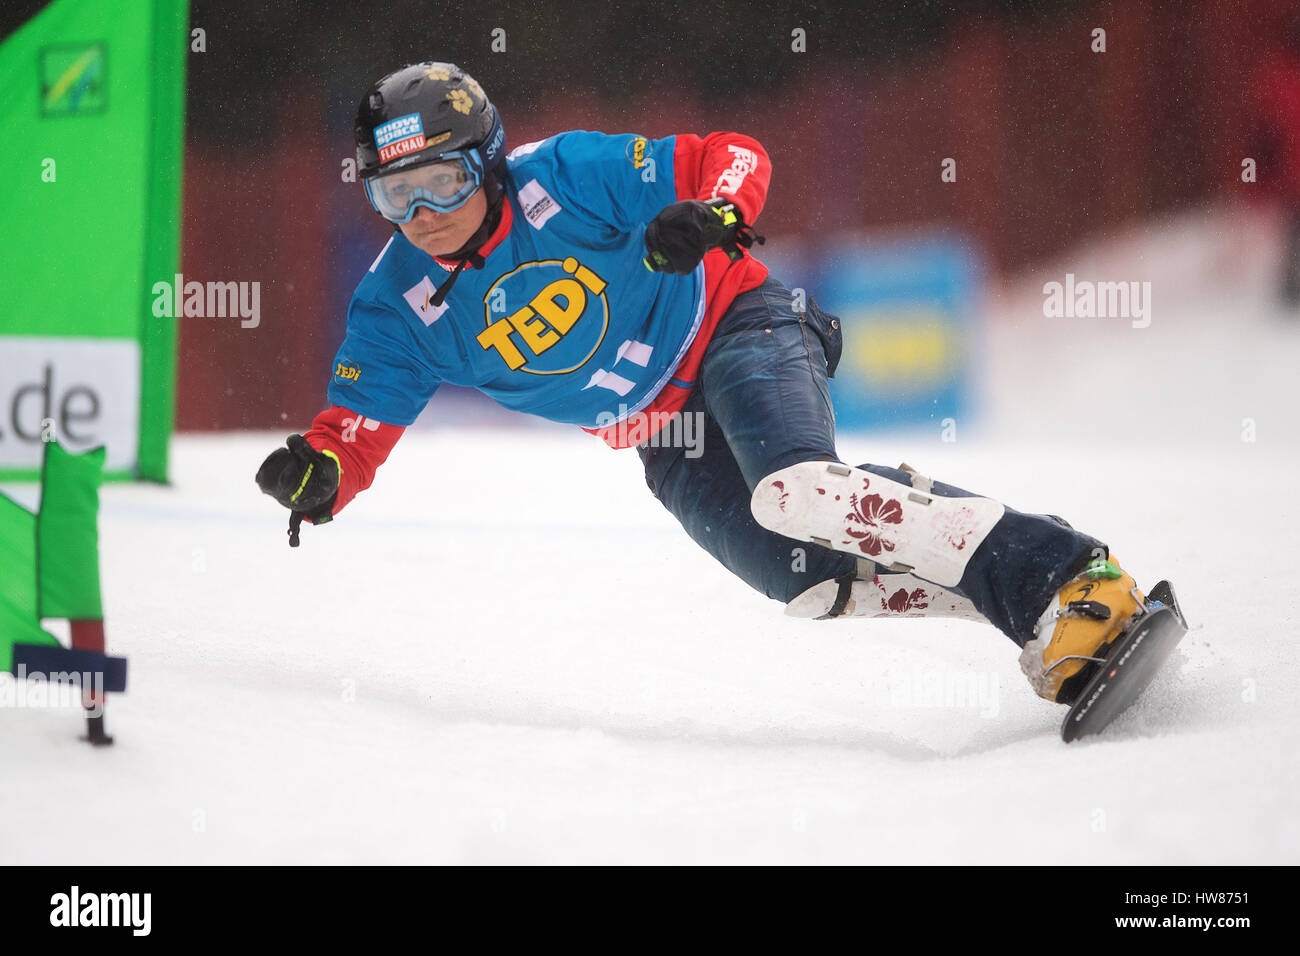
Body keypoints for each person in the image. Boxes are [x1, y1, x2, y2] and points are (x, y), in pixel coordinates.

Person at [255, 62, 1150, 708]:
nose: (422, 219)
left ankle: (1071, 578)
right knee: (810, 578)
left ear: (486, 162)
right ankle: (1027, 608)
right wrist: (324, 473)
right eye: (391, 198)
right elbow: (355, 426)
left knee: (795, 490)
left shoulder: (562, 177)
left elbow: (734, 154)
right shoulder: (398, 305)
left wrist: (717, 215)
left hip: (735, 325)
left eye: (441, 184)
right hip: (658, 429)